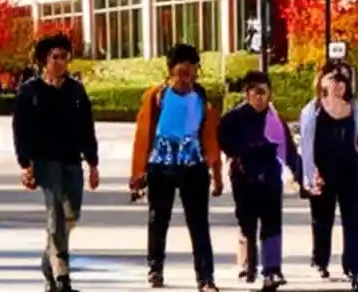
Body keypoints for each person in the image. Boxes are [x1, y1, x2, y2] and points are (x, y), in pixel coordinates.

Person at [129, 43, 223, 292]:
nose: (187, 72)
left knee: (199, 224)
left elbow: (210, 136)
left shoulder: (202, 98)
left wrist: (216, 173)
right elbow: (143, 136)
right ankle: (155, 269)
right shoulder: (157, 96)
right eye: (181, 67)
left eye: (192, 67)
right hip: (161, 167)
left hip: (194, 167)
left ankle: (205, 278)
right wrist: (138, 175)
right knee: (158, 221)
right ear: (171, 69)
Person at [12, 35, 100, 292]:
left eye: (64, 56)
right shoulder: (30, 92)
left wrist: (93, 164)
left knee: (71, 215)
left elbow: (87, 128)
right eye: (55, 57)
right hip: (45, 162)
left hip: (72, 160)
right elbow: (21, 130)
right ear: (44, 61)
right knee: (57, 215)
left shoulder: (75, 90)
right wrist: (25, 164)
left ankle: (47, 263)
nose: (61, 62)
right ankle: (62, 278)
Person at [218, 71, 302, 292]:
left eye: (264, 92)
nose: (260, 97)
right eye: (255, 92)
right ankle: (248, 264)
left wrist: (301, 177)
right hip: (244, 177)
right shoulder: (233, 118)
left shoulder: (275, 120)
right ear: (247, 93)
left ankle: (272, 269)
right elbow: (225, 143)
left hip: (270, 177)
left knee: (272, 224)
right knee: (247, 223)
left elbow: (289, 151)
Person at [300, 60, 358, 291]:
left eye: (343, 81)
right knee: (322, 220)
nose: (339, 85)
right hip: (323, 171)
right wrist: (310, 176)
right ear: (322, 82)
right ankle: (320, 258)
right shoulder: (313, 110)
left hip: (349, 171)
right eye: (333, 79)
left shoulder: (354, 107)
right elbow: (307, 146)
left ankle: (357, 270)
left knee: (353, 222)